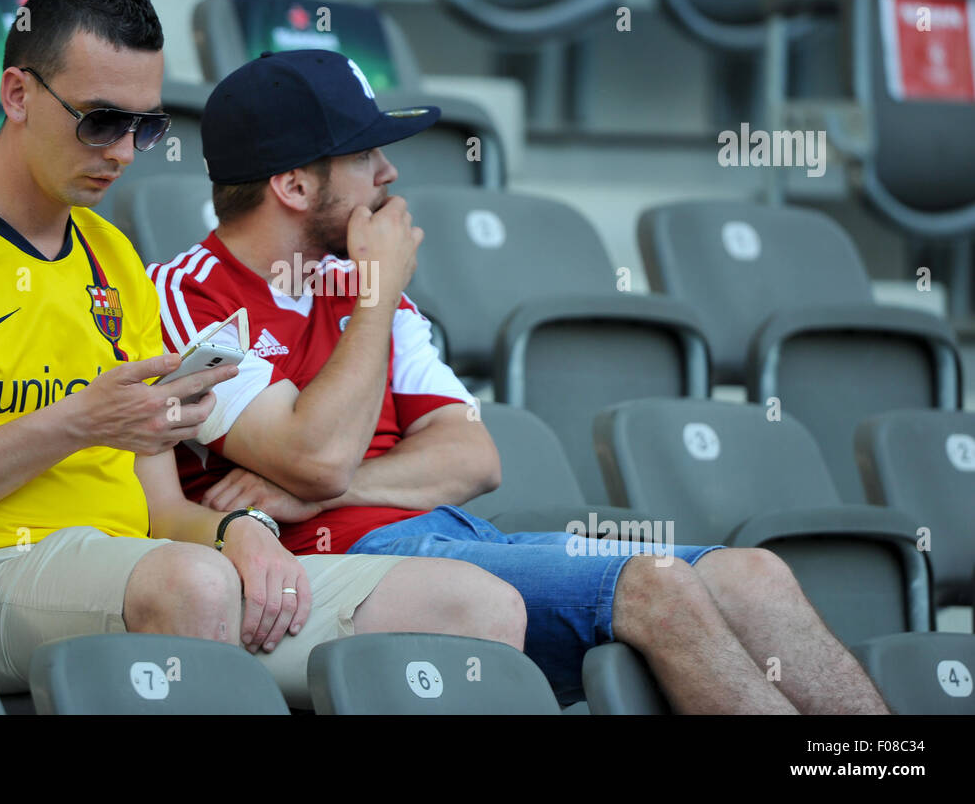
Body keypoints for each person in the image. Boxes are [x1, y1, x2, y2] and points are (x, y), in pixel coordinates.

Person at [0, 0, 526, 708]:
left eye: (144, 127)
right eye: (99, 120)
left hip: (149, 565)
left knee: (475, 606)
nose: (121, 151)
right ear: (17, 95)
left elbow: (161, 511)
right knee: (191, 582)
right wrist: (75, 423)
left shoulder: (113, 257)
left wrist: (236, 529)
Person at [150, 48, 892, 714]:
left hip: (455, 539)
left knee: (754, 575)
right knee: (655, 585)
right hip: (350, 574)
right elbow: (316, 455)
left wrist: (326, 483)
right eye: (365, 155)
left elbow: (474, 459)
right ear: (292, 185)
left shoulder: (364, 281)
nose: (390, 174)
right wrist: (373, 305)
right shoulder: (191, 296)